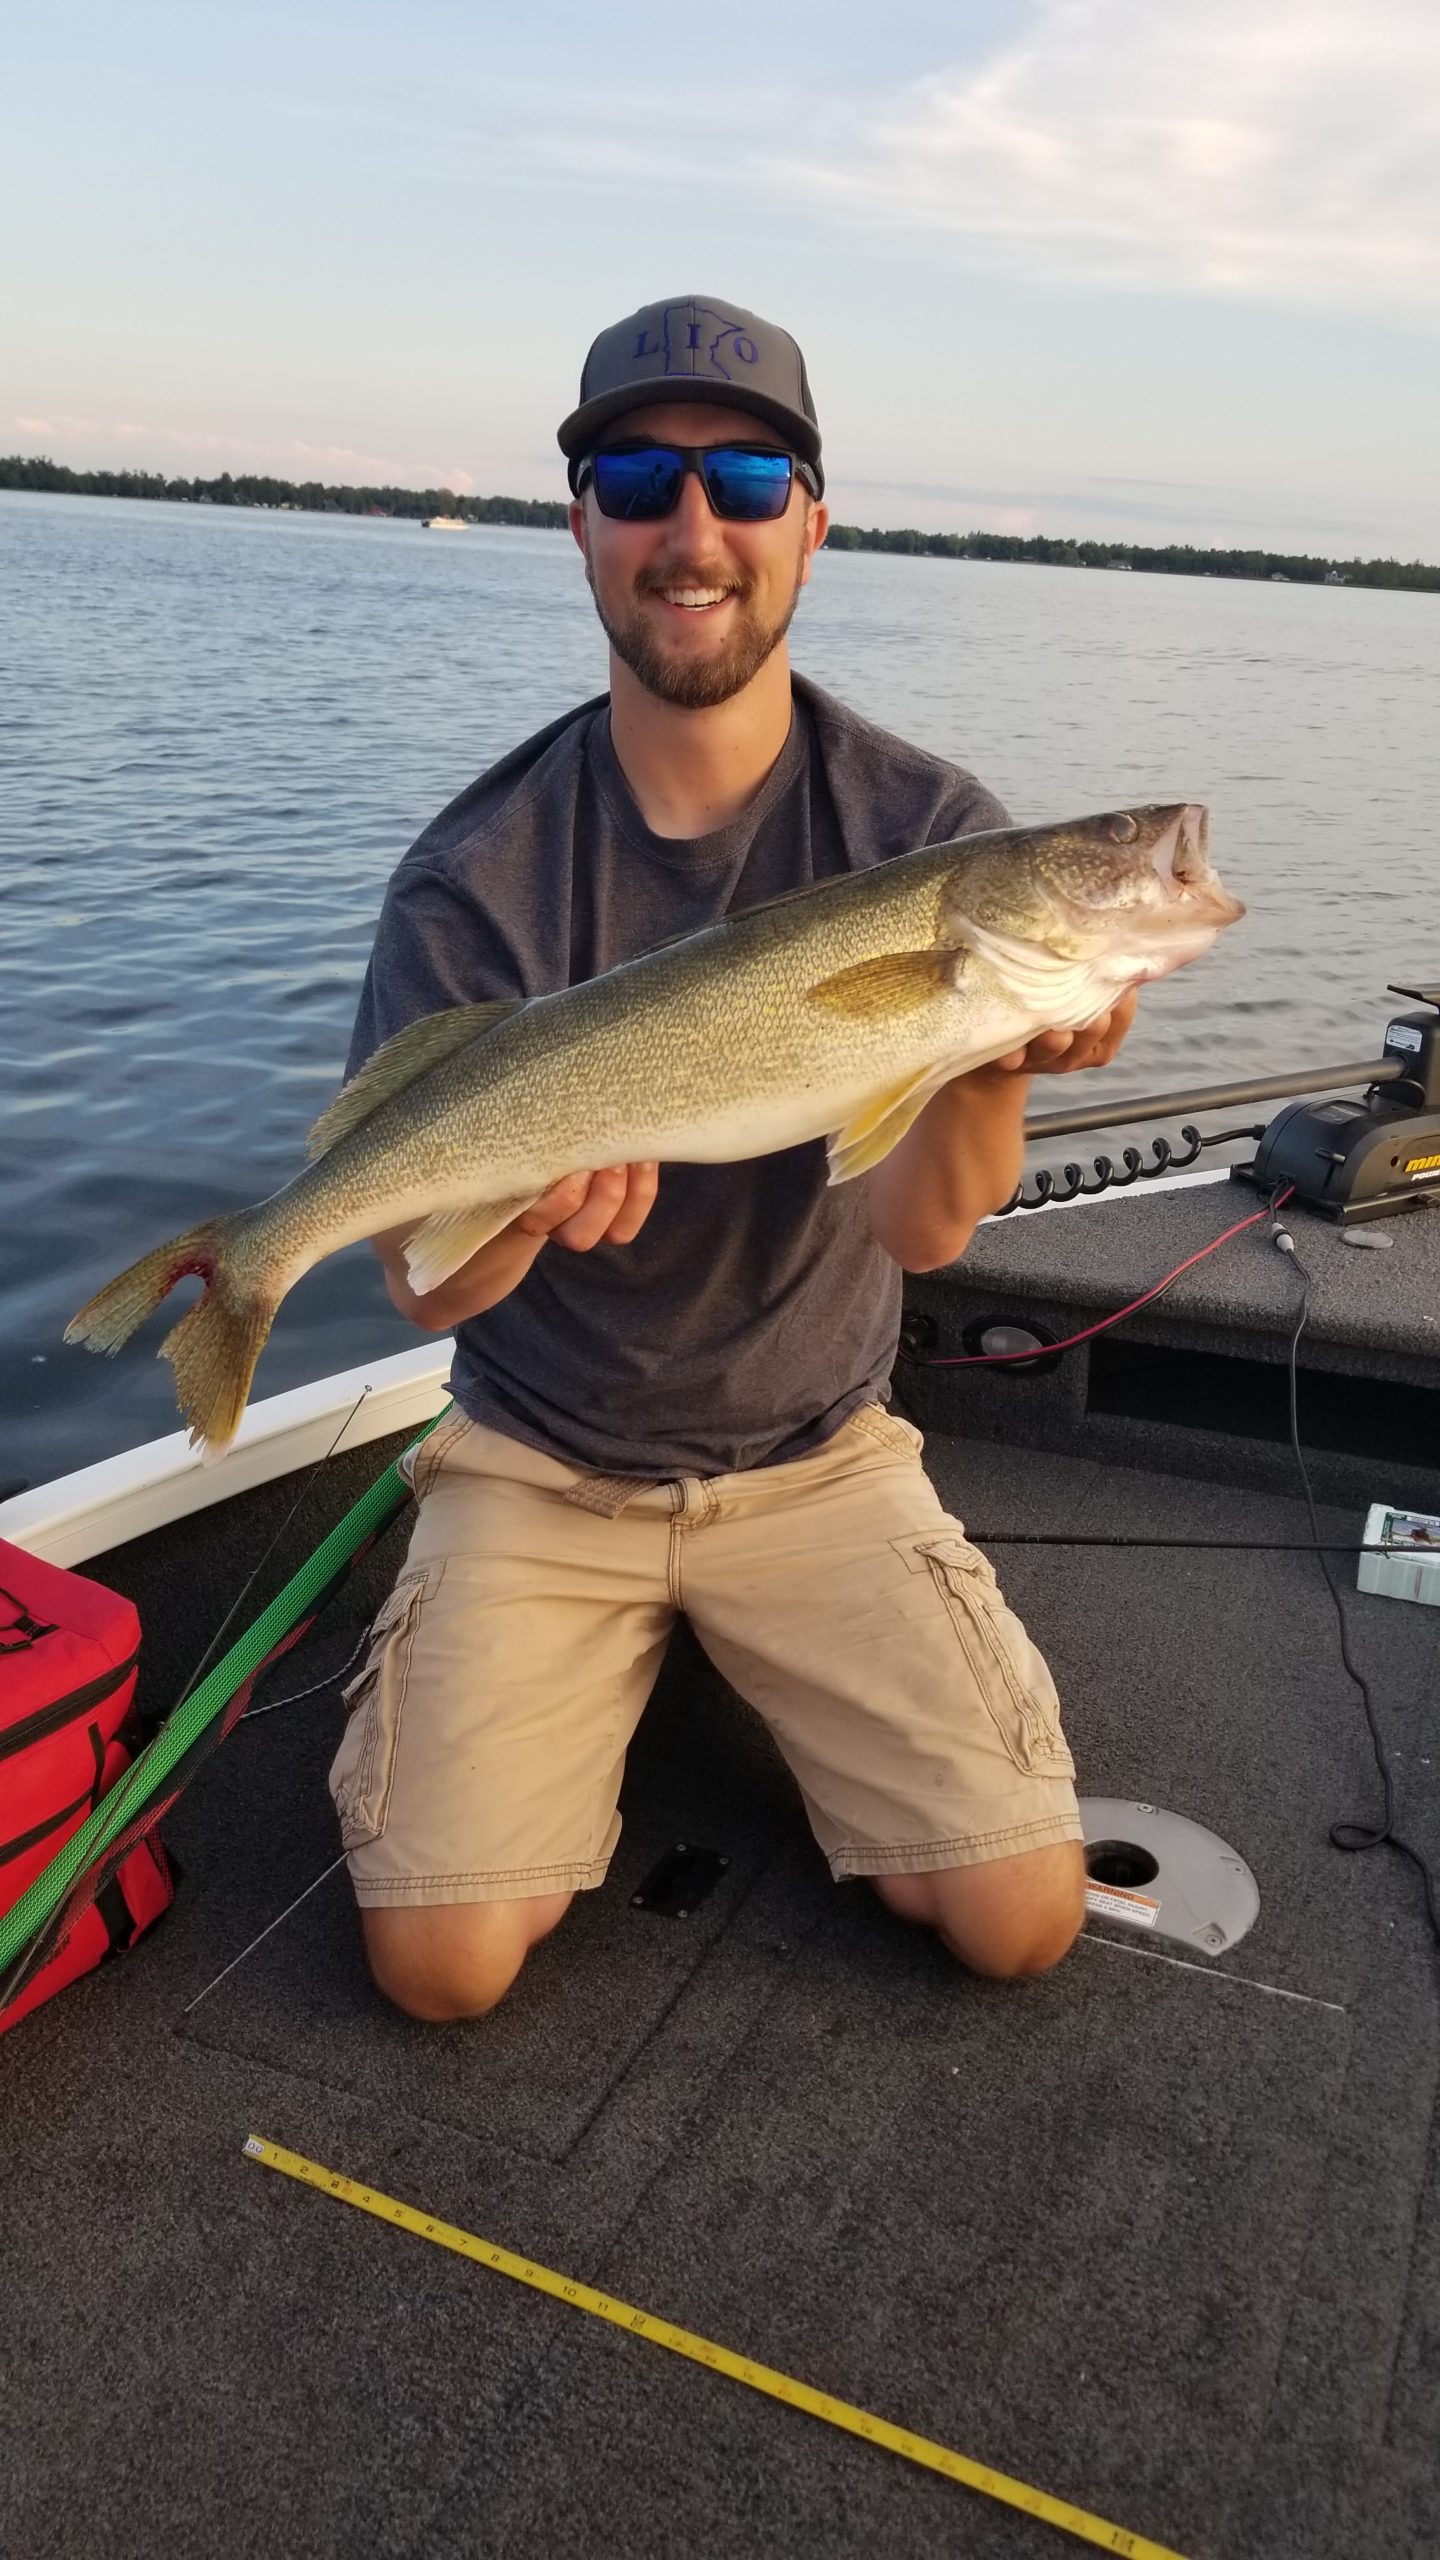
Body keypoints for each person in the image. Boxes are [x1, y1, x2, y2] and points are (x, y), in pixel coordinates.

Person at [328, 295, 1135, 2022]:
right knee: (443, 1967)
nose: (694, 530)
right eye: (638, 478)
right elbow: (418, 1285)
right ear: (585, 529)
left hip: (816, 1456)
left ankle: (715, 1646)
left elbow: (921, 1235)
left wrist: (990, 1058)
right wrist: (523, 1228)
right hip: (540, 1458)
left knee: (1020, 1921)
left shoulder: (929, 837)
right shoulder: (471, 877)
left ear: (813, 523)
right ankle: (597, 1652)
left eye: (749, 476)